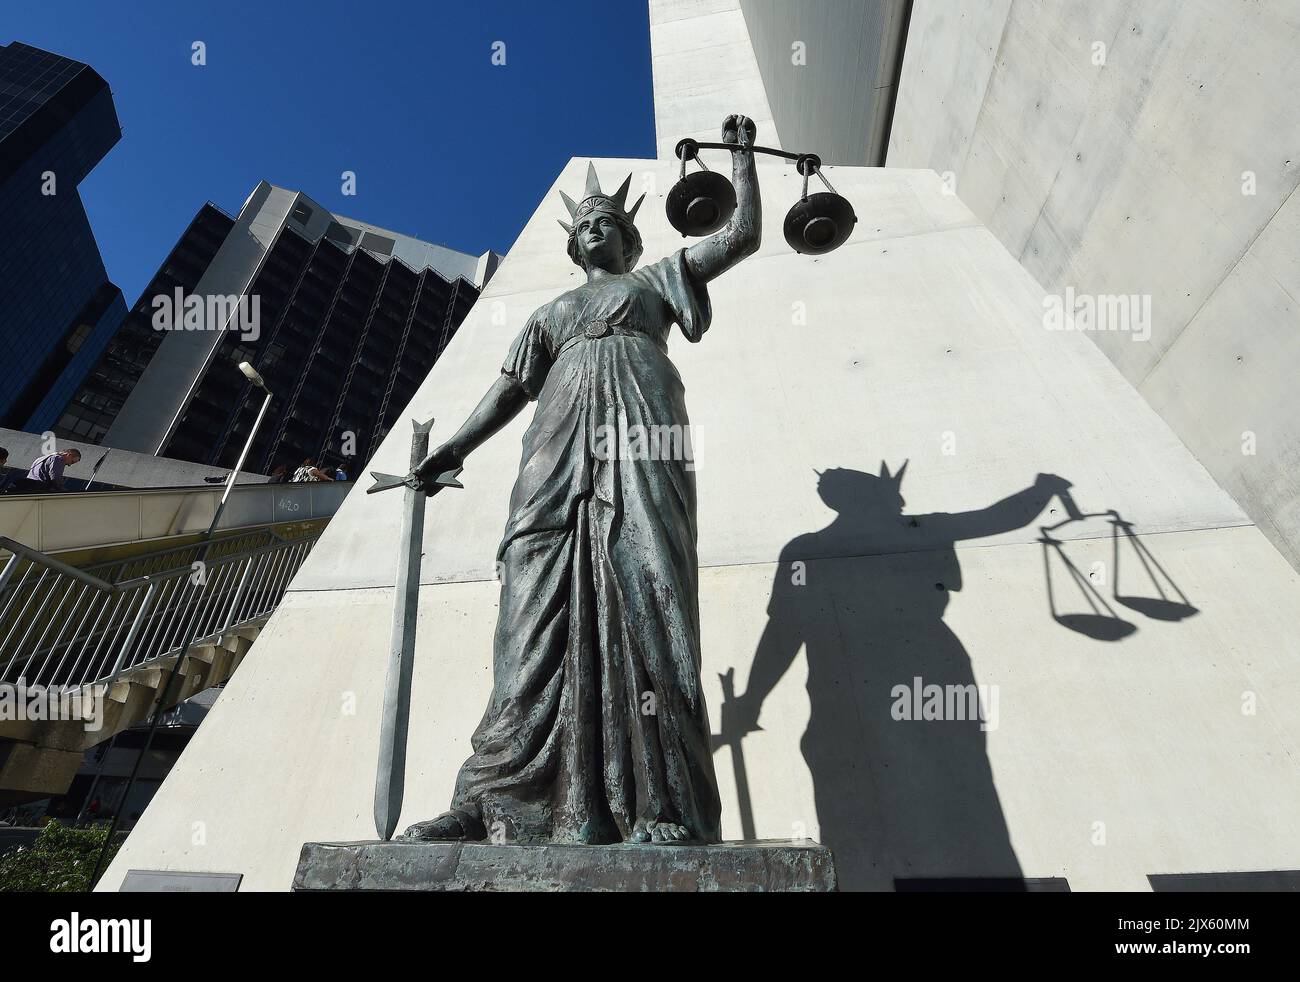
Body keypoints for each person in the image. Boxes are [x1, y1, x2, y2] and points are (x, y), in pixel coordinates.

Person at [400, 114, 763, 846]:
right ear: (573, 244)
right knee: (529, 617)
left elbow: (743, 236)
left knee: (647, 597)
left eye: (608, 221)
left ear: (629, 237)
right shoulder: (551, 313)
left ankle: (658, 805)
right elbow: (509, 390)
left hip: (640, 437)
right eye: (586, 224)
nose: (596, 228)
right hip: (554, 452)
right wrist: (456, 450)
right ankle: (493, 799)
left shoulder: (660, 280)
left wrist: (744, 159)